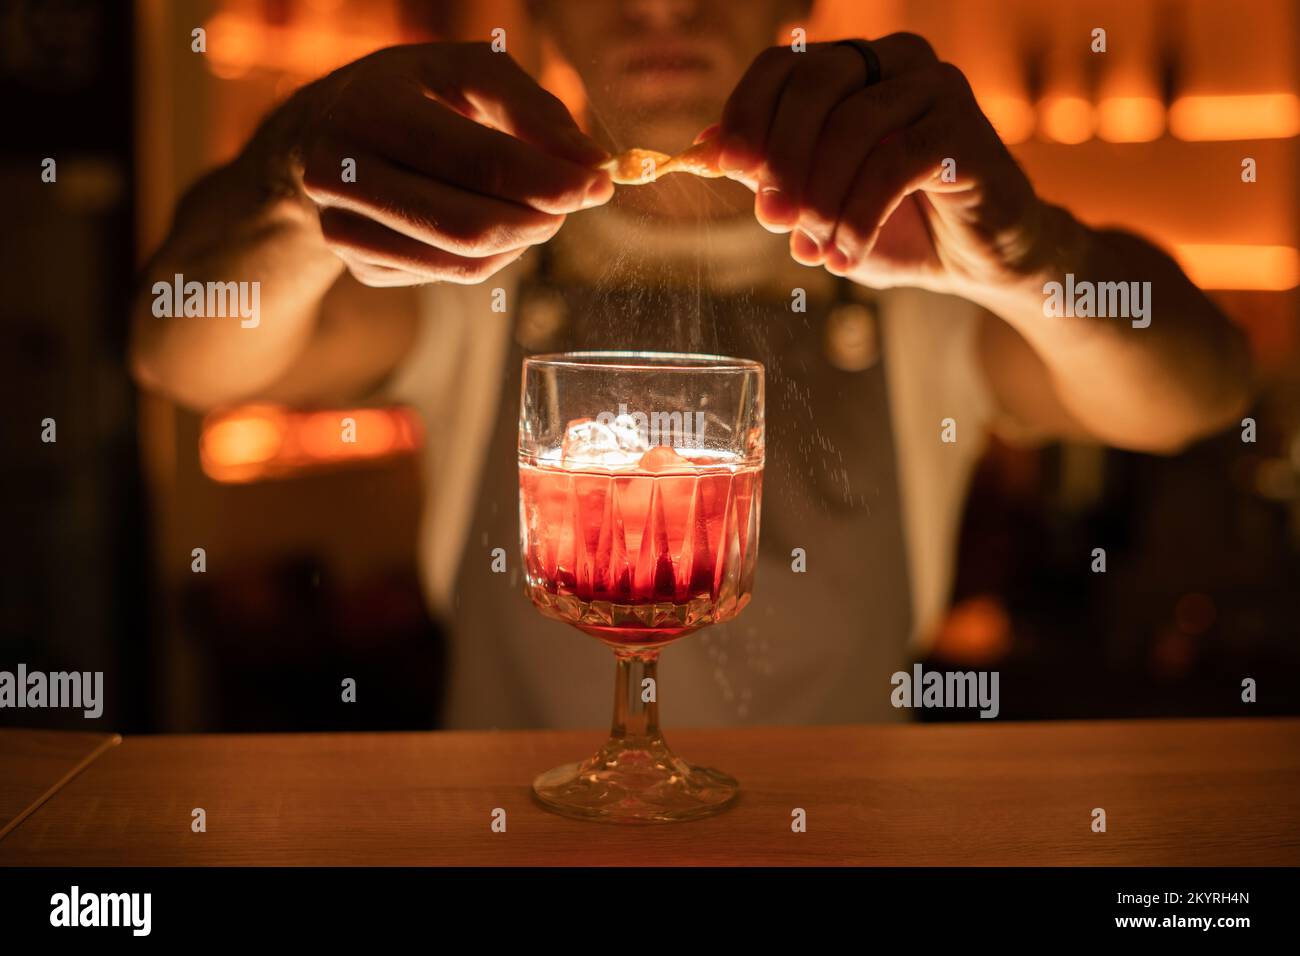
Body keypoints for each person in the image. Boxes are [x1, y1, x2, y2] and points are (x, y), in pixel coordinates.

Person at [130, 0, 1253, 729]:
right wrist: (289, 171)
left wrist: (1033, 256)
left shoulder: (918, 268)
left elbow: (1201, 390)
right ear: (539, 13)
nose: (661, 6)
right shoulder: (459, 264)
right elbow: (181, 354)